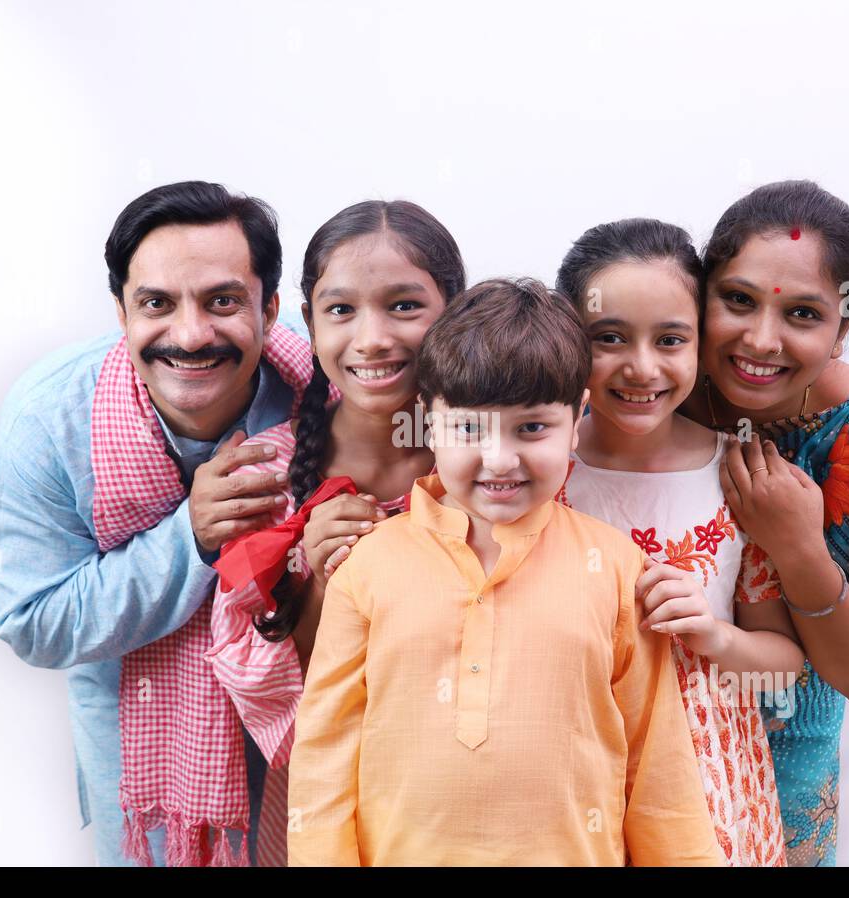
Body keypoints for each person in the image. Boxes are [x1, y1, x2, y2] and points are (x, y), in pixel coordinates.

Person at [287, 278, 725, 866]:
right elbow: (325, 759)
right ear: (428, 421)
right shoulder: (366, 567)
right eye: (469, 428)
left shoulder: (620, 570)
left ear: (577, 421)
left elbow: (658, 766)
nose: (500, 460)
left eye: (532, 428)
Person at [0, 181, 321, 865]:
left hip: (318, 741)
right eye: (157, 304)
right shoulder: (49, 420)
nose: (191, 335)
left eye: (223, 301)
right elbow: (32, 620)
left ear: (272, 309)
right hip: (149, 773)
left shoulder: (335, 385)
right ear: (121, 311)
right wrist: (190, 539)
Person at [199, 198, 466, 866]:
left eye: (404, 306)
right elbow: (274, 703)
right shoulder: (268, 477)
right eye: (342, 310)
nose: (371, 338)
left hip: (471, 803)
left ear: (454, 314)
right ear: (310, 323)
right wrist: (319, 583)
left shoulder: (497, 466)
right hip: (327, 815)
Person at [679, 180, 849, 865]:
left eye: (802, 314)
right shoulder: (647, 383)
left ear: (843, 329)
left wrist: (796, 548)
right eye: (737, 300)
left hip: (781, 762)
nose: (761, 340)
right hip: (637, 742)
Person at [554, 218, 802, 865]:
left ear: (701, 342)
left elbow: (785, 667)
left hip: (713, 794)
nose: (642, 367)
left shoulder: (738, 475)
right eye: (609, 338)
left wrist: (715, 636)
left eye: (670, 339)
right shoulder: (537, 473)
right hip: (573, 789)